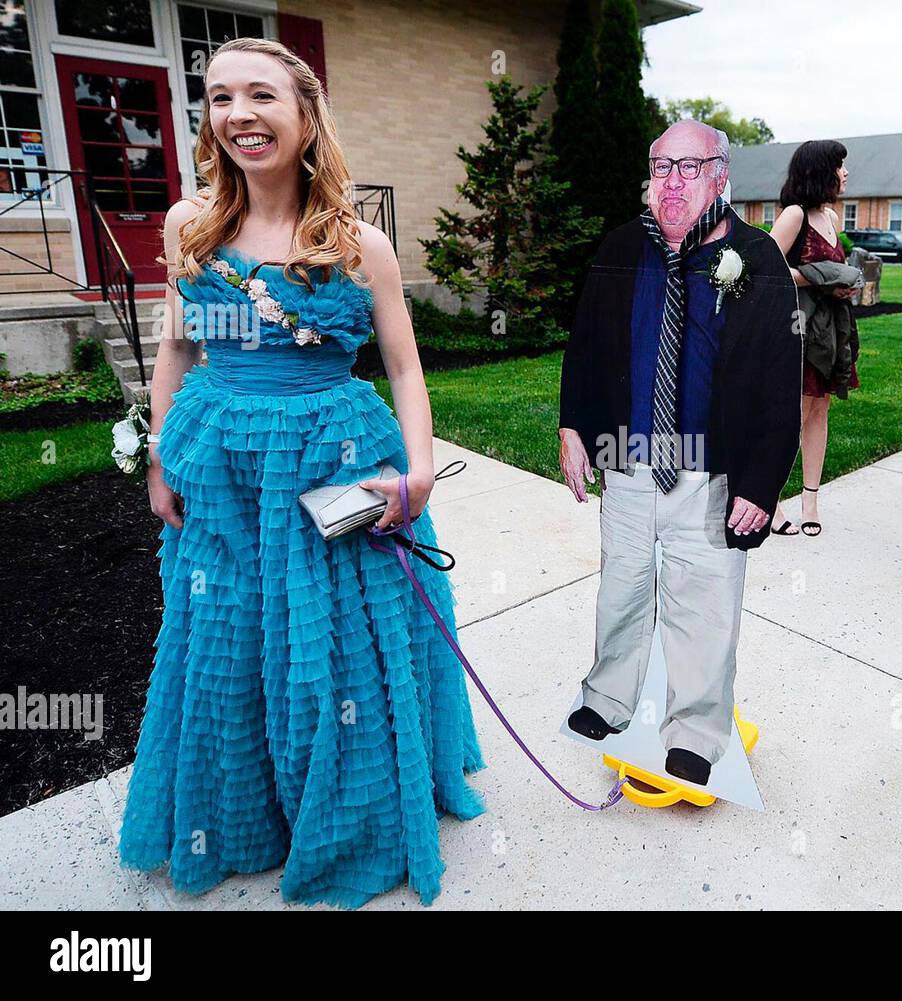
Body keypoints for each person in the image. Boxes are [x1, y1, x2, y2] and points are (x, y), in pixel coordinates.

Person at [118, 38, 484, 909]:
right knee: (229, 639)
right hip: (223, 465)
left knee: (334, 647)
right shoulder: (187, 225)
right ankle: (249, 819)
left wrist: (420, 473)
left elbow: (404, 369)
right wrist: (160, 453)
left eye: (260, 95)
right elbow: (174, 347)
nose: (239, 114)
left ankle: (347, 821)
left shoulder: (359, 244)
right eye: (219, 99)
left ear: (307, 114)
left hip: (335, 460)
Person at [558, 121, 800, 785]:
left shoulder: (756, 260)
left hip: (711, 468)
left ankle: (694, 729)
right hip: (627, 456)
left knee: (703, 601)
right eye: (661, 166)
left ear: (720, 176)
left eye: (688, 167)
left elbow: (783, 379)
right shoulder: (619, 248)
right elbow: (584, 344)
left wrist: (760, 484)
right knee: (623, 589)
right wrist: (573, 424)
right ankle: (608, 698)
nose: (670, 180)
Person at [768, 139, 858, 536]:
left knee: (819, 410)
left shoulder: (832, 217)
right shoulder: (793, 215)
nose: (846, 173)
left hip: (829, 330)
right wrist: (822, 277)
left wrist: (840, 284)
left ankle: (810, 501)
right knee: (794, 415)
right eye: (841, 165)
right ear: (822, 170)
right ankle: (767, 500)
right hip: (797, 329)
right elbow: (765, 271)